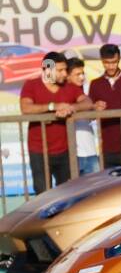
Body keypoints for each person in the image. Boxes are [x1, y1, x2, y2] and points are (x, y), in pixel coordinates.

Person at [18, 51, 92, 193]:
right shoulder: (31, 85)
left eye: (65, 69)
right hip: (39, 151)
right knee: (43, 194)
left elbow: (87, 102)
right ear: (47, 69)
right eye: (60, 70)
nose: (65, 74)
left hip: (65, 150)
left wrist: (70, 107)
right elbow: (25, 107)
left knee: (67, 193)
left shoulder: (69, 86)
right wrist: (53, 107)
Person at [65, 58, 100, 177]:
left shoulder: (85, 94)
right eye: (77, 74)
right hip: (72, 155)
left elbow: (89, 114)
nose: (82, 77)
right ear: (67, 76)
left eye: (83, 73)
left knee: (96, 192)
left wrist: (95, 110)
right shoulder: (62, 94)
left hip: (90, 152)